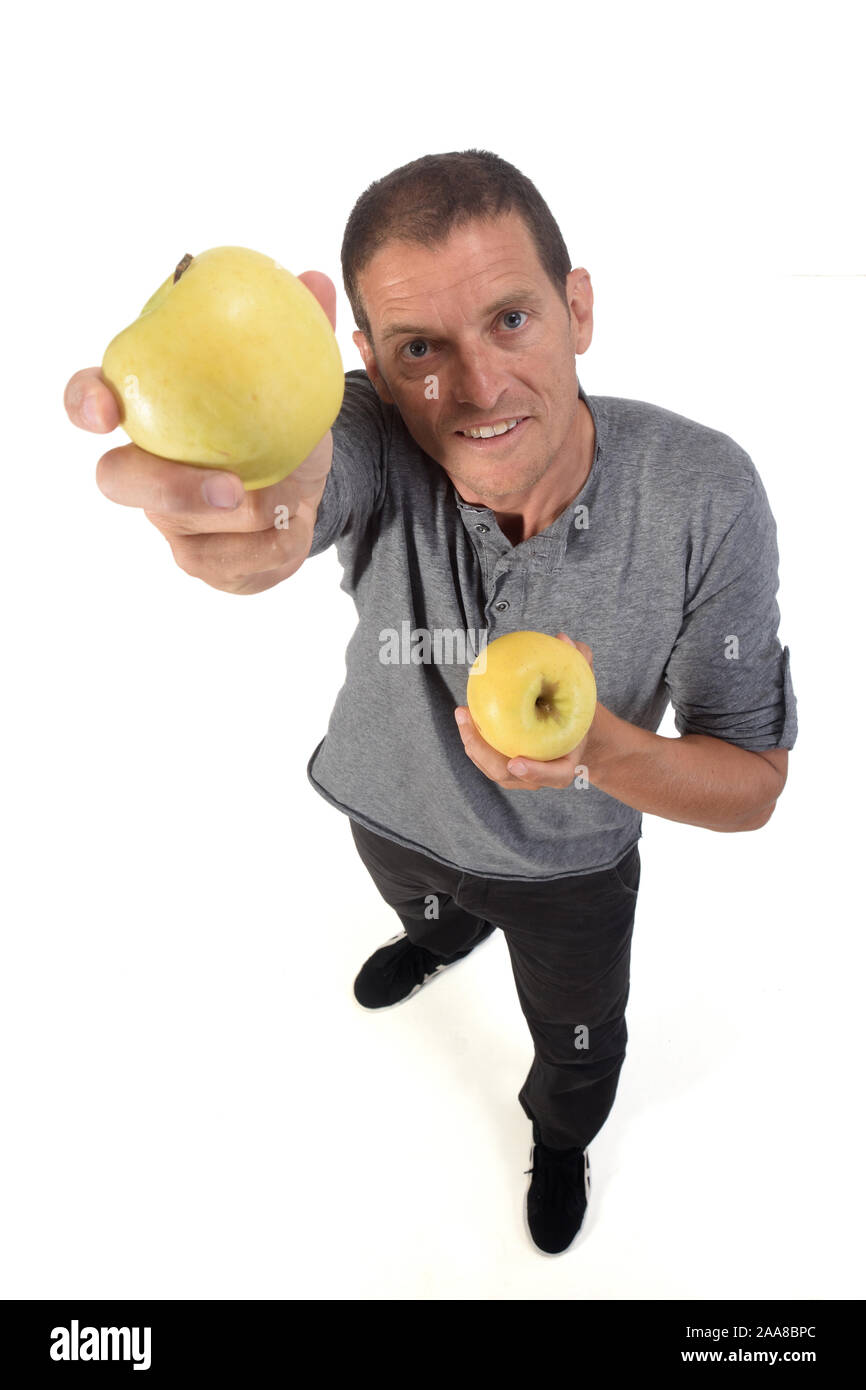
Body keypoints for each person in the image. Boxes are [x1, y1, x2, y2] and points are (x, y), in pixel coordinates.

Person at [64, 149, 797, 1257]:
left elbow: (750, 788)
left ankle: (558, 1140)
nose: (476, 388)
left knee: (576, 1047)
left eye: (509, 320)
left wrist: (595, 751)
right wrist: (250, 498)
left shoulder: (705, 494)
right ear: (366, 358)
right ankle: (438, 935)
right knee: (425, 911)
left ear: (577, 307)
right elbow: (297, 495)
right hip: (387, 803)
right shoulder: (369, 427)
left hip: (570, 872)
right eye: (419, 350)